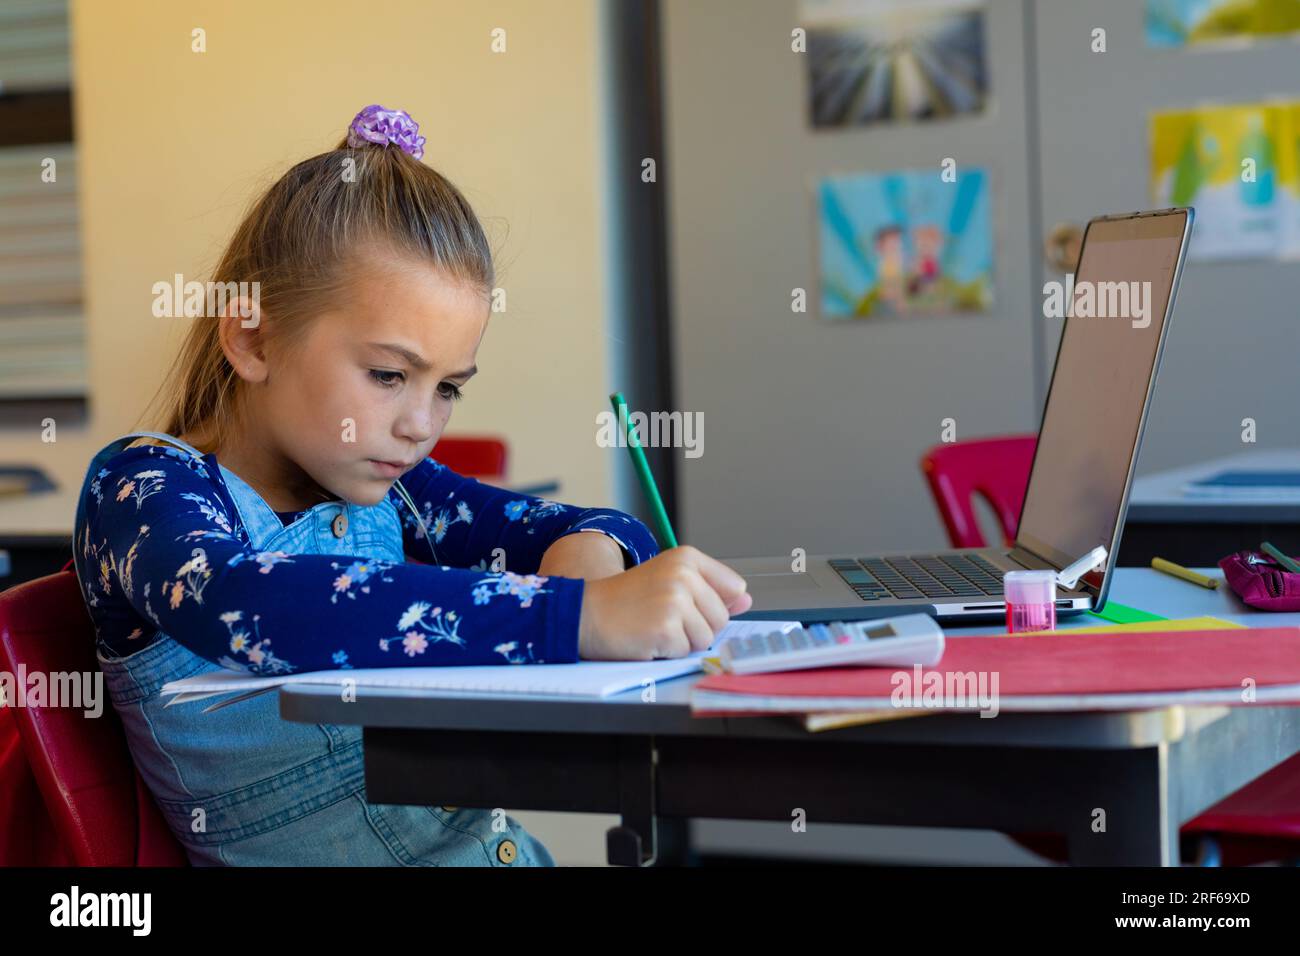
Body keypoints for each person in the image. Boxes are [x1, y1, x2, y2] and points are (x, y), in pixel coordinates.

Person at [73, 104, 751, 866]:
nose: (421, 423)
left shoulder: (401, 491)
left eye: (449, 387)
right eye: (390, 375)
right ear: (253, 336)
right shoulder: (143, 487)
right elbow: (249, 602)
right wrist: (573, 618)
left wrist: (592, 553)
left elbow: (579, 523)